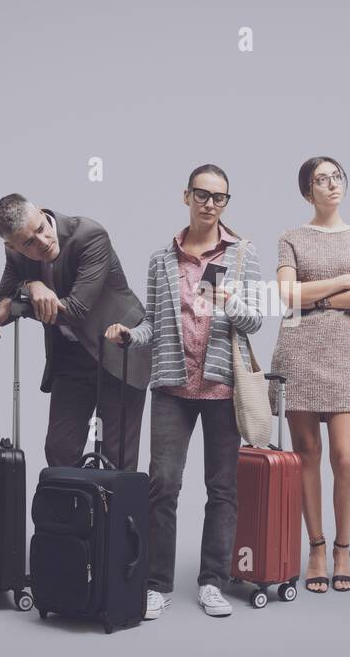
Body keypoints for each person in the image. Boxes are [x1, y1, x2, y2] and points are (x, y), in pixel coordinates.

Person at [106, 164, 263, 619]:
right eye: (202, 194)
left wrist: (230, 303)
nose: (210, 203)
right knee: (162, 486)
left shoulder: (242, 255)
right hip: (173, 387)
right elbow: (153, 324)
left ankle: (212, 581)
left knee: (222, 488)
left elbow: (256, 323)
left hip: (221, 387)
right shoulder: (161, 260)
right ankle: (157, 584)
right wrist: (128, 336)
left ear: (226, 203)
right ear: (186, 196)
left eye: (219, 197)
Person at [270, 157, 350, 594]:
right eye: (321, 179)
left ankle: (343, 547)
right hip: (297, 355)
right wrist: (341, 281)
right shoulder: (290, 238)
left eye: (337, 177)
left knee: (346, 457)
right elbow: (285, 293)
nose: (331, 184)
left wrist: (314, 298)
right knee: (306, 455)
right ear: (307, 192)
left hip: (345, 357)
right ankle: (316, 546)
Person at [0, 195, 151, 470]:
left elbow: (74, 311)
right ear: (11, 245)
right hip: (71, 360)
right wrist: (31, 284)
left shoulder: (89, 235)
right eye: (28, 243)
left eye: (40, 228)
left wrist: (21, 297)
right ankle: (77, 513)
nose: (43, 242)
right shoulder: (14, 255)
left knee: (117, 459)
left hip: (119, 352)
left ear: (39, 210)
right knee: (59, 450)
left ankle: (114, 514)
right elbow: (0, 308)